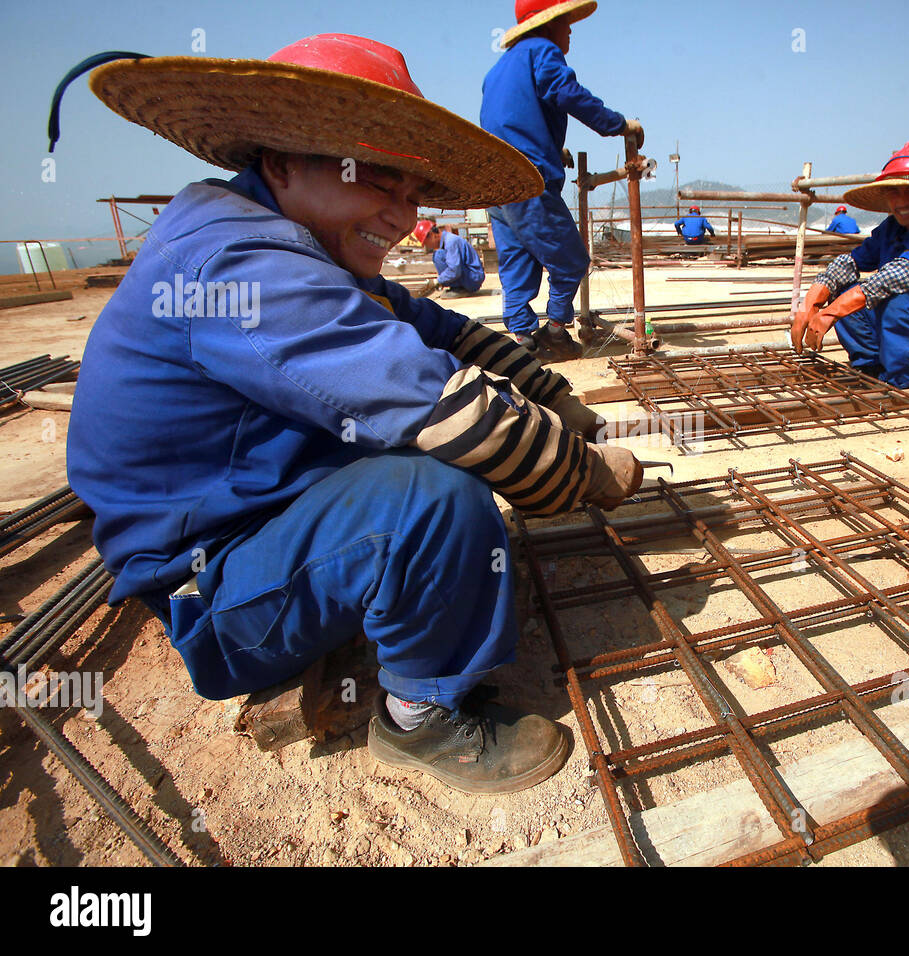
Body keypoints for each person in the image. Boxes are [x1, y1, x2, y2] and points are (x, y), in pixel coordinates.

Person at [55, 34, 643, 795]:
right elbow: (454, 413)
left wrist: (561, 400)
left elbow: (441, 327)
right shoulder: (245, 268)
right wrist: (589, 474)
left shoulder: (292, 242)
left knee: (431, 459)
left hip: (260, 515)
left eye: (412, 193)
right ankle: (419, 718)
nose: (400, 216)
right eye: (376, 179)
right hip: (210, 583)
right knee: (435, 495)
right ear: (281, 163)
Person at [481, 0, 644, 360]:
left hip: (495, 183)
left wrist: (555, 151)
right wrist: (618, 124)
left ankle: (522, 341)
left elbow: (511, 121)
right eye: (565, 23)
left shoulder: (498, 69)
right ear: (548, 24)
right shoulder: (543, 50)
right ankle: (555, 332)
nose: (569, 30)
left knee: (517, 265)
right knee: (571, 261)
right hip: (526, 181)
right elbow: (565, 92)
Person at [790, 142, 909, 388]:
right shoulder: (892, 227)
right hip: (901, 323)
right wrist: (811, 302)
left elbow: (898, 276)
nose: (902, 200)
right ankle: (868, 367)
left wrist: (830, 313)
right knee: (843, 292)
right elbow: (850, 262)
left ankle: (901, 383)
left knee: (896, 301)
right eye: (894, 191)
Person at [414, 219, 486, 295]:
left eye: (426, 243)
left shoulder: (451, 242)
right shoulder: (447, 242)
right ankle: (456, 287)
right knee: (438, 255)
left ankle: (459, 288)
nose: (427, 246)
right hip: (469, 275)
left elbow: (454, 270)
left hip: (473, 278)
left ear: (433, 235)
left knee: (438, 255)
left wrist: (438, 281)